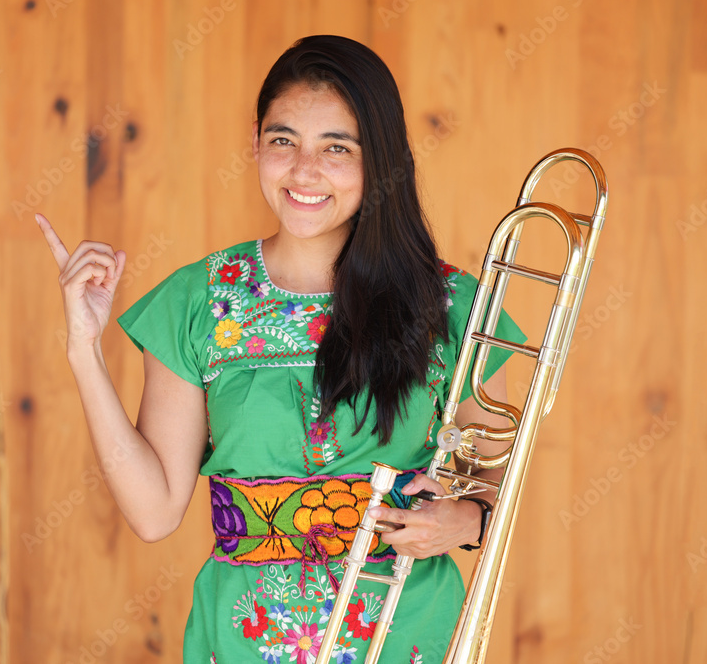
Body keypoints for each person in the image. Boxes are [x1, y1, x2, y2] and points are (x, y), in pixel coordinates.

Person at [38, 34, 525, 664]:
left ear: (380, 159)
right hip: (245, 639)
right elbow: (154, 513)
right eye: (283, 140)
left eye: (337, 148)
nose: (304, 171)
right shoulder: (197, 301)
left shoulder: (452, 305)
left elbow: (495, 481)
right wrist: (84, 350)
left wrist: (465, 521)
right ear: (255, 142)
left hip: (406, 634)